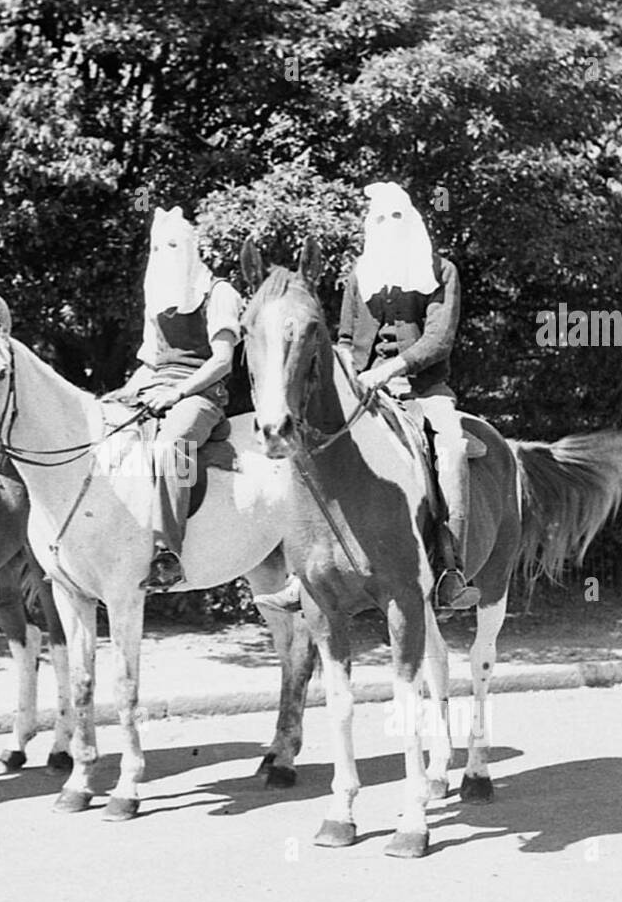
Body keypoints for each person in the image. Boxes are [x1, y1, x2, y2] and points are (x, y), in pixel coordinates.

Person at [256, 182, 480, 613]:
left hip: (423, 391)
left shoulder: (441, 270)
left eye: (397, 216)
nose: (388, 225)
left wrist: (392, 369)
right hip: (361, 390)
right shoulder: (360, 276)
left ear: (412, 220)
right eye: (379, 219)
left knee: (450, 450)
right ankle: (300, 575)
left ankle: (451, 568)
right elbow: (343, 338)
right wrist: (345, 371)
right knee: (301, 446)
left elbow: (439, 339)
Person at [118, 207, 242, 590]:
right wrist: (120, 396)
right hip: (157, 386)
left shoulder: (218, 293)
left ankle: (167, 551)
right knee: (104, 433)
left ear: (190, 248)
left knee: (173, 445)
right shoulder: (156, 298)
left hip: (201, 393)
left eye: (173, 247)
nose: (164, 256)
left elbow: (222, 360)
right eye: (157, 249)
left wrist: (177, 392)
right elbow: (150, 362)